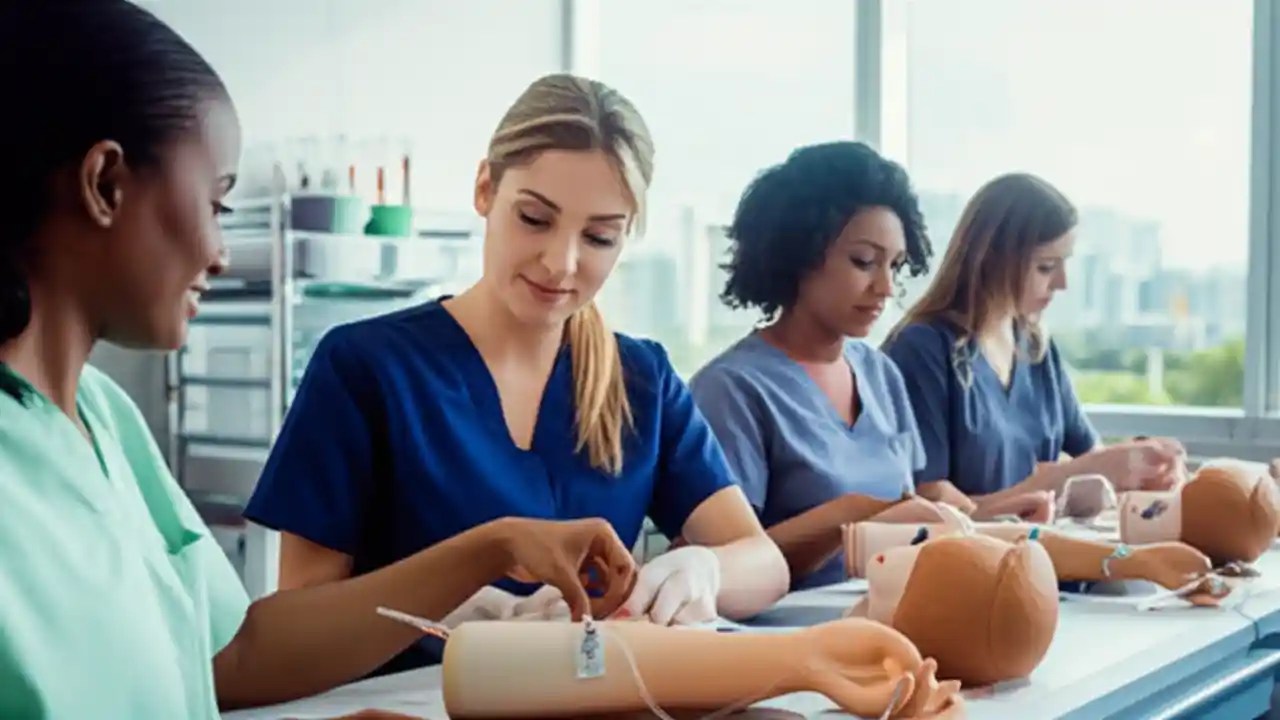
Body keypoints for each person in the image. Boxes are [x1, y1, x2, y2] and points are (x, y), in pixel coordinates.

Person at [0, 3, 640, 718]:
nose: (218, 251)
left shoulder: (102, 417)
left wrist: (496, 547)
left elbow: (233, 656)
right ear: (107, 184)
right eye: (217, 203)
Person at [243, 73, 790, 671]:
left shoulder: (640, 380)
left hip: (580, 702)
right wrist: (442, 599)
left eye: (600, 236)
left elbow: (764, 562)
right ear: (485, 190)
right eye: (534, 219)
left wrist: (702, 568)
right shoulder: (365, 369)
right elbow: (295, 627)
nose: (561, 262)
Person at [687, 142, 967, 590]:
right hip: (787, 642)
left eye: (895, 265)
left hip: (895, 615)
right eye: (863, 262)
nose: (885, 287)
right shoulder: (732, 390)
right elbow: (717, 565)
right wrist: (848, 516)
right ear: (798, 254)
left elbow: (912, 508)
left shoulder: (881, 375)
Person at [881, 173, 1183, 512]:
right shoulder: (922, 350)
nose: (1062, 283)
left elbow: (1089, 463)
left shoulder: (1036, 349)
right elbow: (928, 507)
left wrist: (1139, 473)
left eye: (1064, 264)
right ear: (991, 259)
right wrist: (1052, 481)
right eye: (1045, 267)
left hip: (1042, 552)